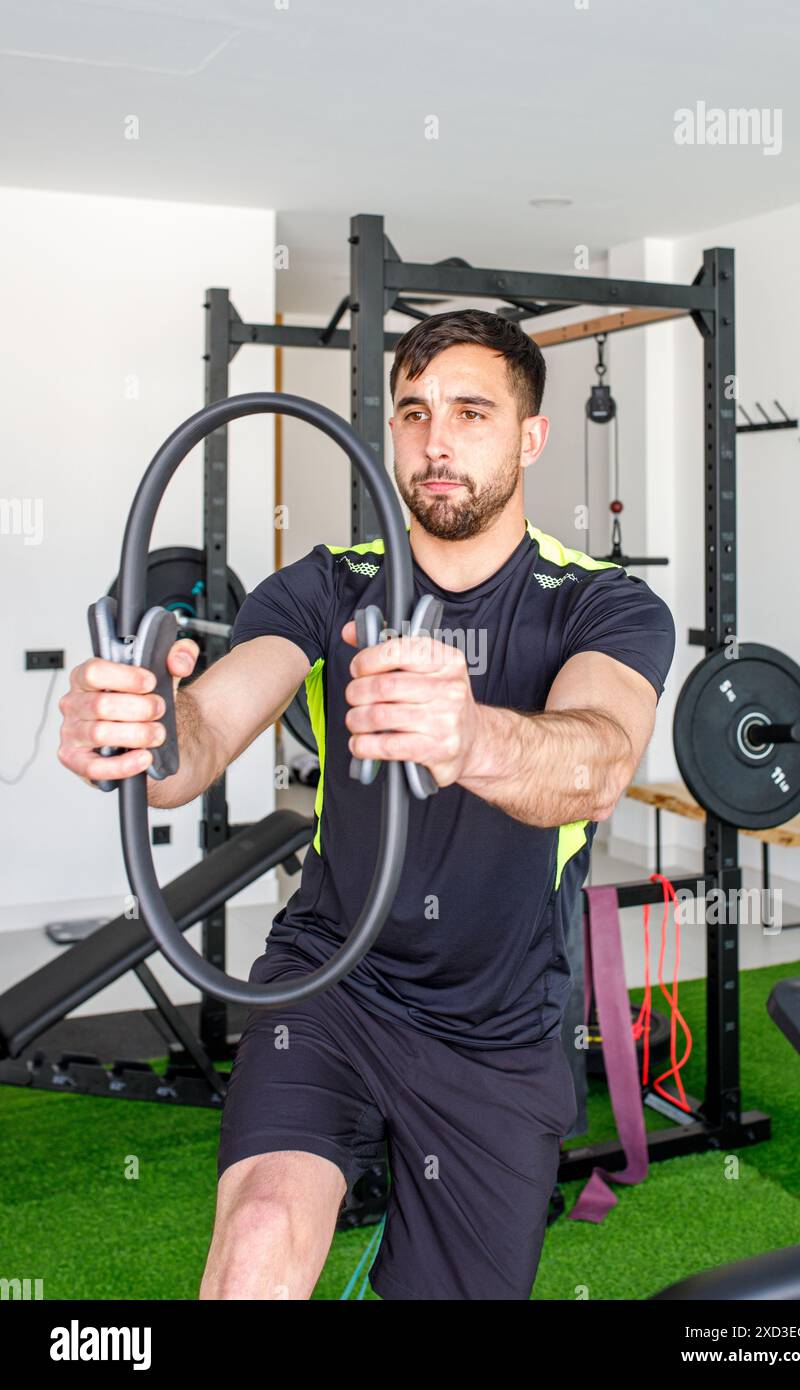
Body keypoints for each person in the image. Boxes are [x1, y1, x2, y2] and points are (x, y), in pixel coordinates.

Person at [57, 309, 675, 1300]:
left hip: (497, 1027)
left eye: (471, 412)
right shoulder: (325, 586)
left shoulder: (599, 603)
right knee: (261, 1229)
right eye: (413, 412)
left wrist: (468, 734)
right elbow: (200, 739)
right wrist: (138, 729)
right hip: (331, 984)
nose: (435, 441)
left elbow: (596, 761)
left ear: (529, 437)